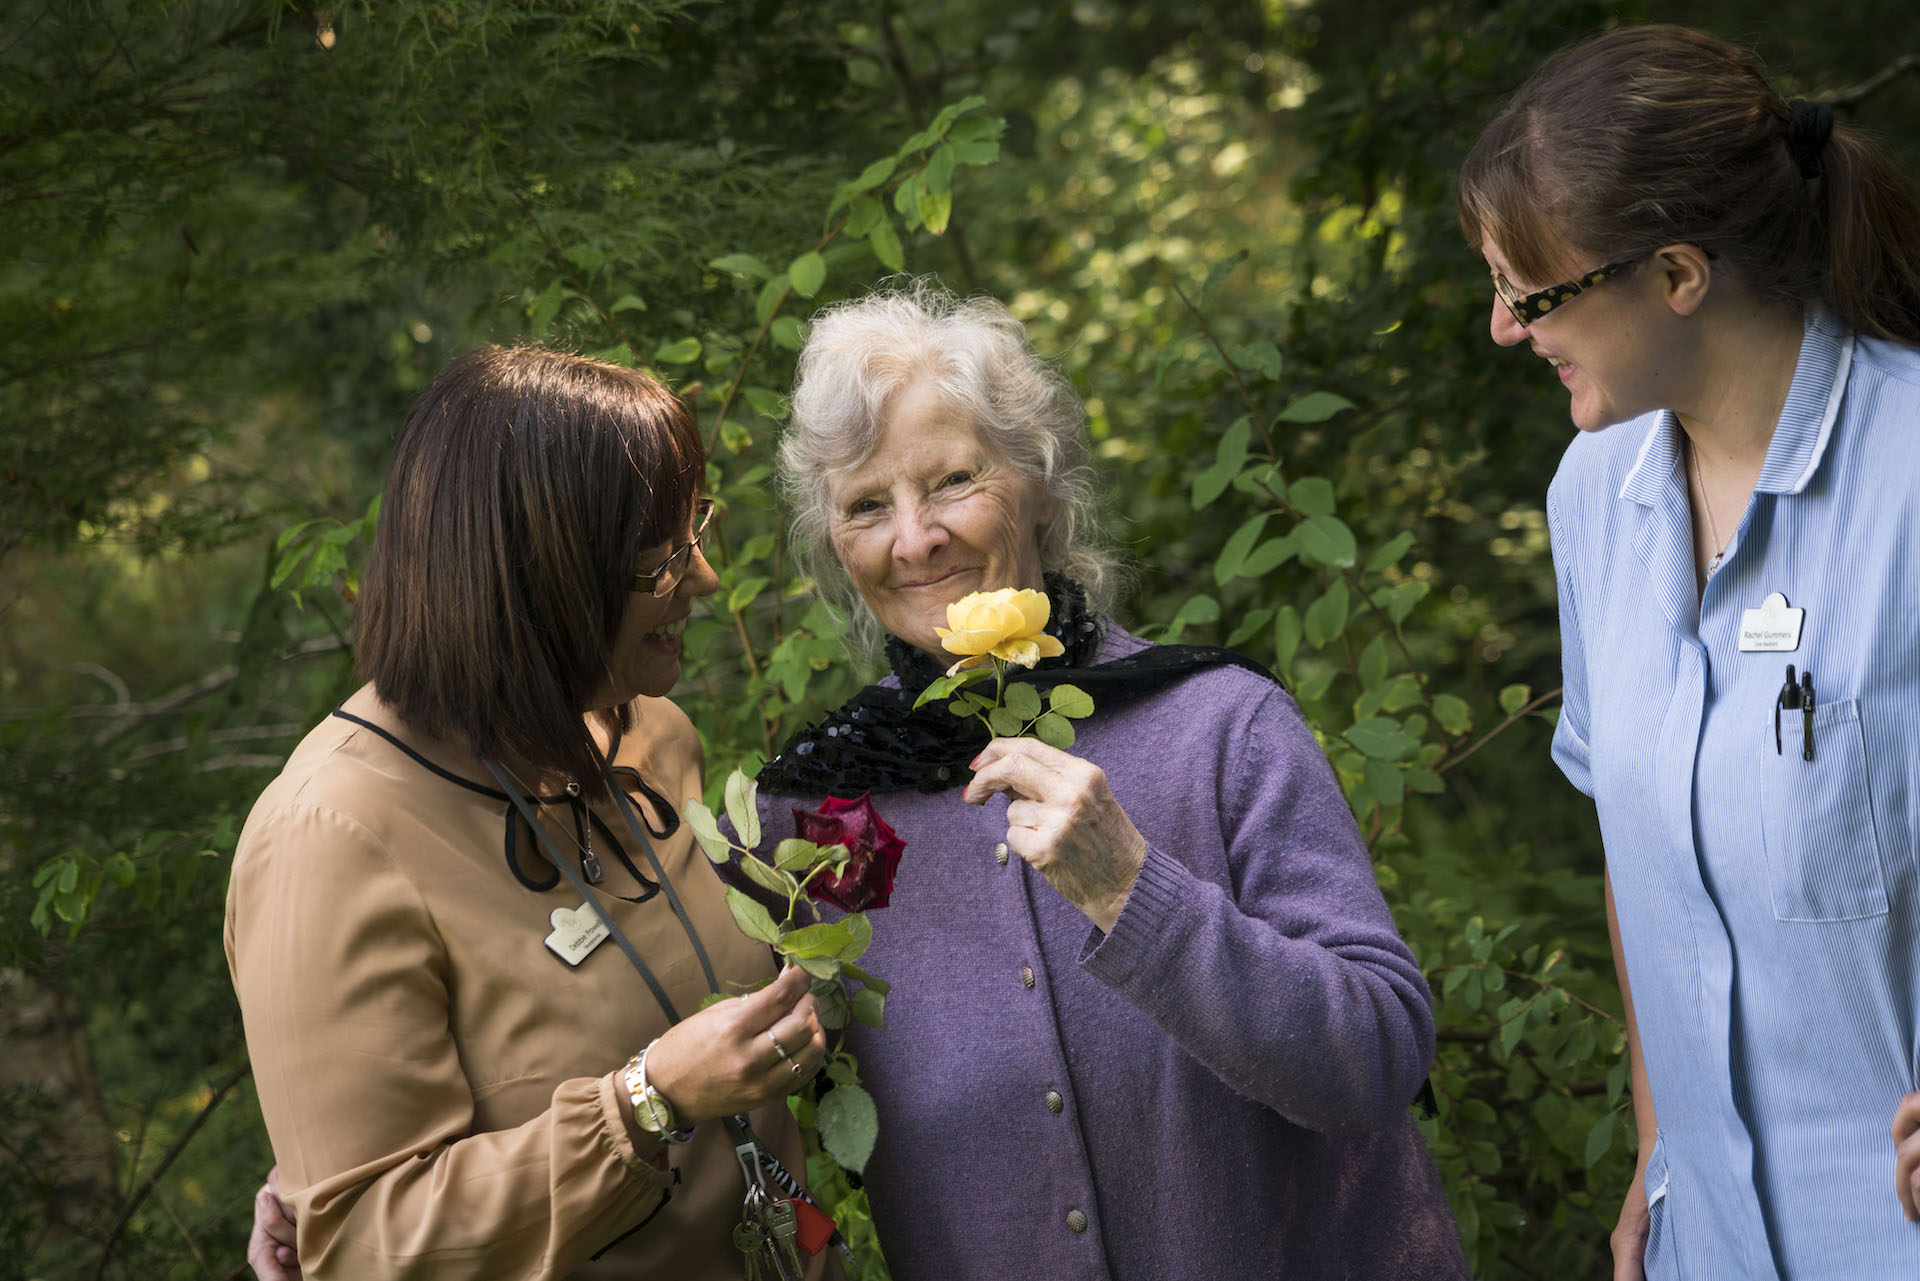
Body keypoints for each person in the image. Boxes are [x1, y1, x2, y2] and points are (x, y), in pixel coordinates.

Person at [733, 281, 1467, 1279]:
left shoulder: (1221, 725)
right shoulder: (809, 820)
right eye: (868, 505)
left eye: (951, 481)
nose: (914, 538)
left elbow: (1380, 1058)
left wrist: (1134, 891)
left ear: (1038, 484)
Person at [1459, 24, 1920, 1281]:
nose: (1502, 329)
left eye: (1529, 294)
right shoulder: (1592, 494)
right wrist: (1659, 1148)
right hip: (1702, 1241)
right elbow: (1642, 851)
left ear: (1675, 274)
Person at [227, 346, 830, 1280]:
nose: (706, 580)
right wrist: (647, 1103)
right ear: (541, 579)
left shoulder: (651, 735)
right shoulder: (331, 836)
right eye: (662, 561)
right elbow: (366, 1243)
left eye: (694, 533)